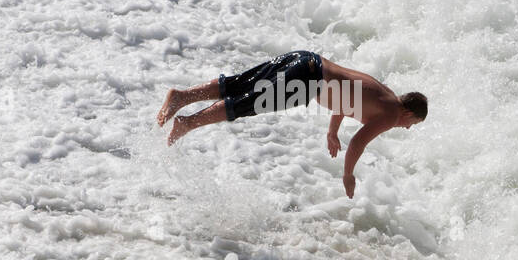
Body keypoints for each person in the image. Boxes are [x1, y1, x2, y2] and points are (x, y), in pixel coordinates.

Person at [156, 50, 427, 198]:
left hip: (306, 60)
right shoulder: (391, 114)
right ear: (408, 112)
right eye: (412, 123)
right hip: (308, 81)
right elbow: (357, 142)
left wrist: (332, 132)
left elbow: (346, 98)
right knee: (246, 103)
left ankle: (182, 97)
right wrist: (347, 175)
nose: (407, 127)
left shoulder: (384, 95)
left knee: (241, 84)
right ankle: (187, 123)